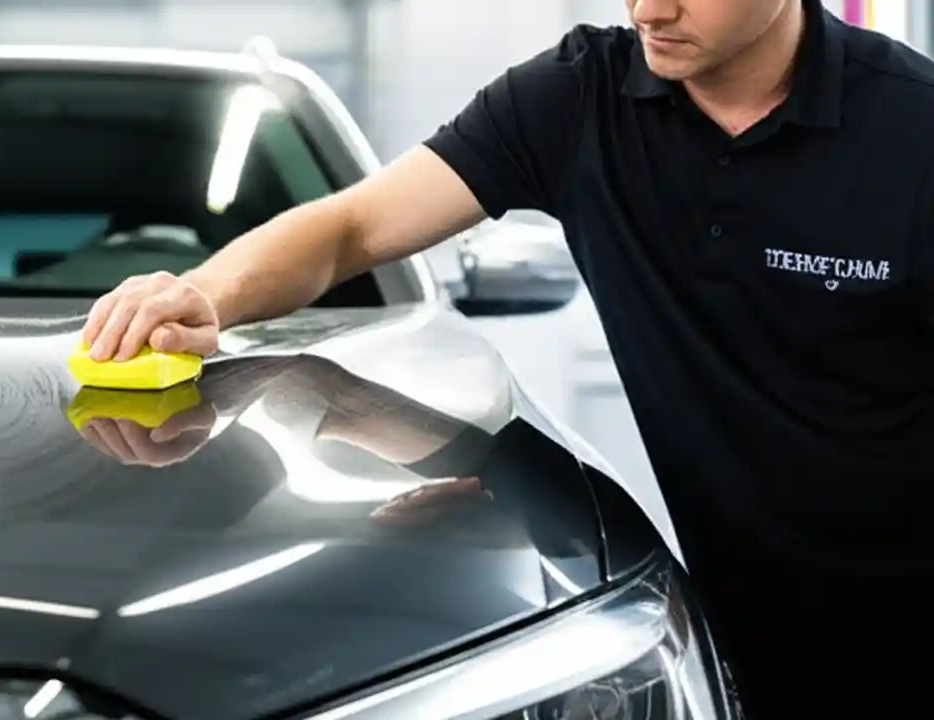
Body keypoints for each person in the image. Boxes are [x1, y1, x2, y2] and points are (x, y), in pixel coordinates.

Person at [80, 0, 934, 716]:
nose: (649, 9)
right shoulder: (577, 98)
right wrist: (205, 294)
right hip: (735, 629)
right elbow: (352, 229)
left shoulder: (911, 126)